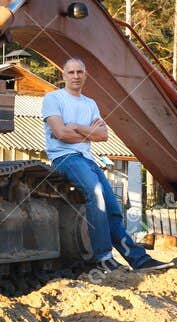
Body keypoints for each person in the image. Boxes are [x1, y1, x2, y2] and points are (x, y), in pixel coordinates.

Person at [41, 57, 167, 272]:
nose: (75, 76)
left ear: (85, 75)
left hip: (88, 159)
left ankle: (139, 260)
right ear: (63, 75)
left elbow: (103, 135)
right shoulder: (53, 98)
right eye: (71, 72)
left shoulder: (90, 104)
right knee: (96, 194)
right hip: (65, 158)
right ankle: (102, 258)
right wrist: (89, 132)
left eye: (80, 72)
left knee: (112, 207)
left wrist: (75, 126)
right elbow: (60, 133)